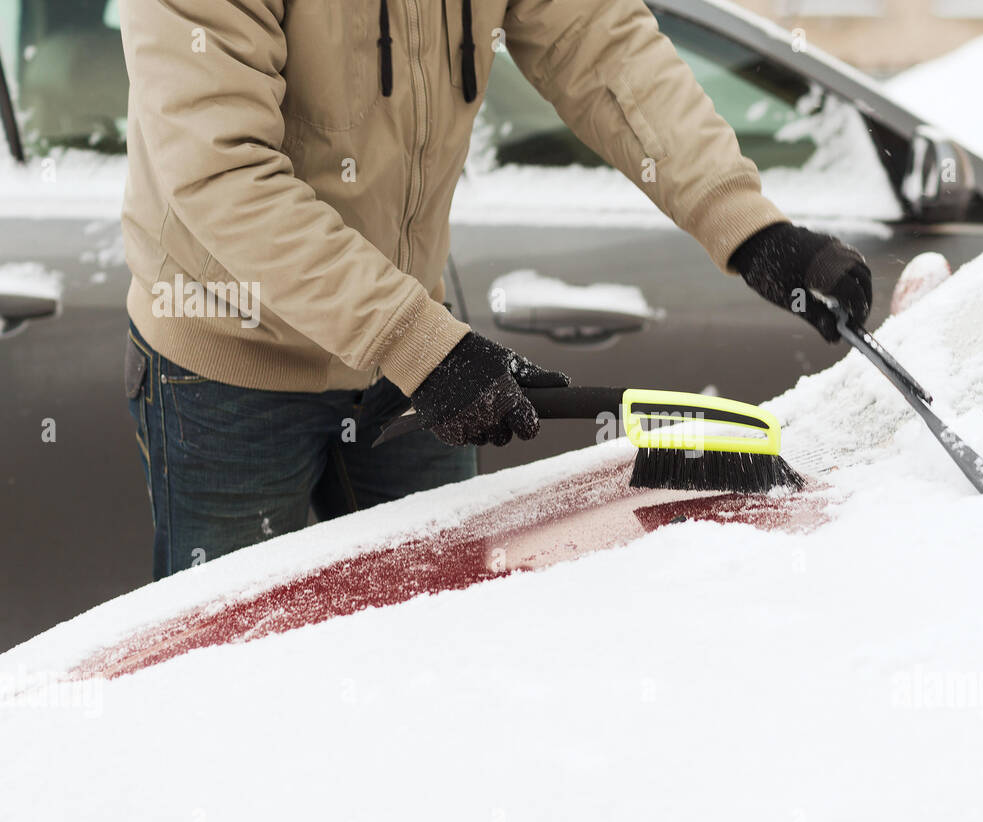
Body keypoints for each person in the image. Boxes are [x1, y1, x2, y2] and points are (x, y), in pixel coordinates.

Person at [119, 0, 874, 579]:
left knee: (442, 642)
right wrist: (416, 344)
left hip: (409, 345)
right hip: (229, 364)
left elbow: (600, 43)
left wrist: (748, 228)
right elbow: (221, 172)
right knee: (227, 671)